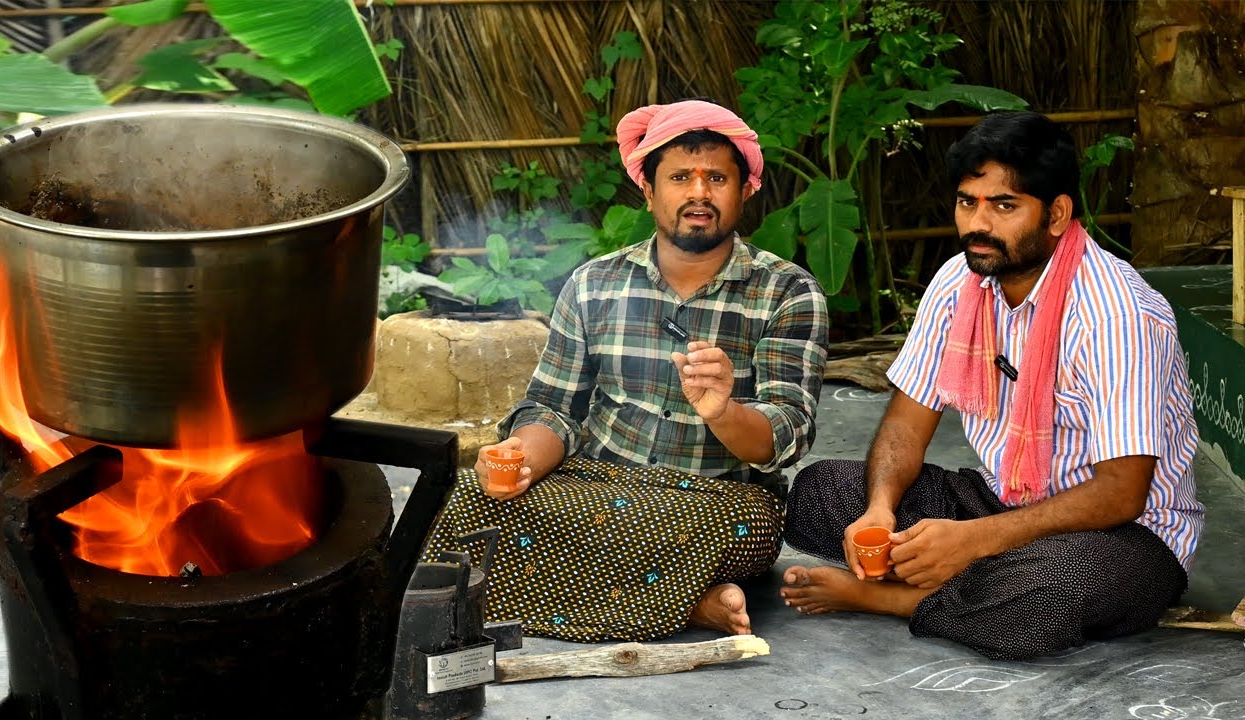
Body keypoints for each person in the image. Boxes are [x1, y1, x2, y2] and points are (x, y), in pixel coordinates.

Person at [779, 111, 1203, 660]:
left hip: (1124, 534)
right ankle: (965, 585)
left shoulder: (1117, 315)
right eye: (967, 202)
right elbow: (906, 422)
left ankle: (896, 599)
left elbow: (1121, 493)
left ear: (1056, 214)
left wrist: (972, 542)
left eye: (1003, 206)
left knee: (1047, 594)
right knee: (819, 492)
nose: (977, 224)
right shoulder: (961, 280)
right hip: (1002, 499)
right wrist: (880, 510)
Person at [421, 99, 828, 642]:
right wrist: (522, 460)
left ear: (745, 190)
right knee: (469, 499)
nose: (699, 193)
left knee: (714, 528)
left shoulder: (788, 292)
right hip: (596, 486)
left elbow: (788, 435)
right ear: (649, 190)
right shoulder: (594, 284)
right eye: (680, 177)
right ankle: (689, 603)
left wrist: (724, 412)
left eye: (717, 178)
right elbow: (553, 408)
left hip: (715, 502)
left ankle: (639, 591)